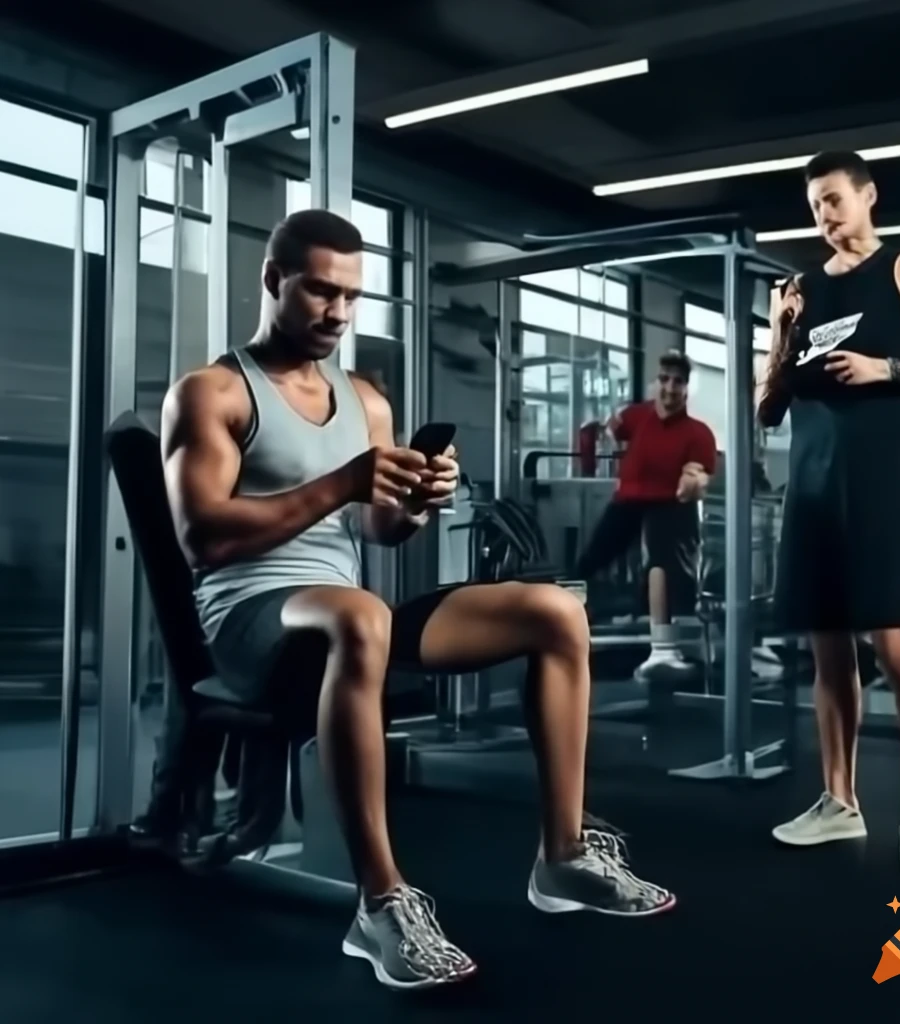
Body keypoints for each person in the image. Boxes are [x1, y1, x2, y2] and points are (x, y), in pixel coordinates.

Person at [159, 208, 675, 991]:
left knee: (555, 610)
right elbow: (205, 539)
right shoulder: (212, 392)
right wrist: (344, 480)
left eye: (351, 297)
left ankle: (564, 855)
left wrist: (417, 499)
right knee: (361, 616)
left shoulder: (365, 399)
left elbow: (380, 531)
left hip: (345, 616)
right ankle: (381, 904)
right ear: (273, 281)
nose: (337, 311)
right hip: (246, 620)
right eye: (320, 292)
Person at [760, 151, 900, 866]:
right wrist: (783, 338)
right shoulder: (795, 288)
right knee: (827, 652)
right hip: (814, 490)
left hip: (881, 484)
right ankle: (839, 802)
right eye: (815, 205)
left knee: (896, 649)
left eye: (833, 199)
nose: (823, 216)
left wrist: (888, 369)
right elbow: (767, 409)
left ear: (867, 196)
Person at [576, 351, 716, 680]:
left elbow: (699, 474)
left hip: (669, 503)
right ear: (656, 383)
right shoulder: (638, 416)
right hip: (629, 500)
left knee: (659, 559)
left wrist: (693, 481)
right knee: (587, 563)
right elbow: (614, 427)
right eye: (664, 379)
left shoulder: (698, 433)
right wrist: (604, 428)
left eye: (678, 382)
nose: (670, 388)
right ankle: (565, 628)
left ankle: (662, 649)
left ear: (686, 388)